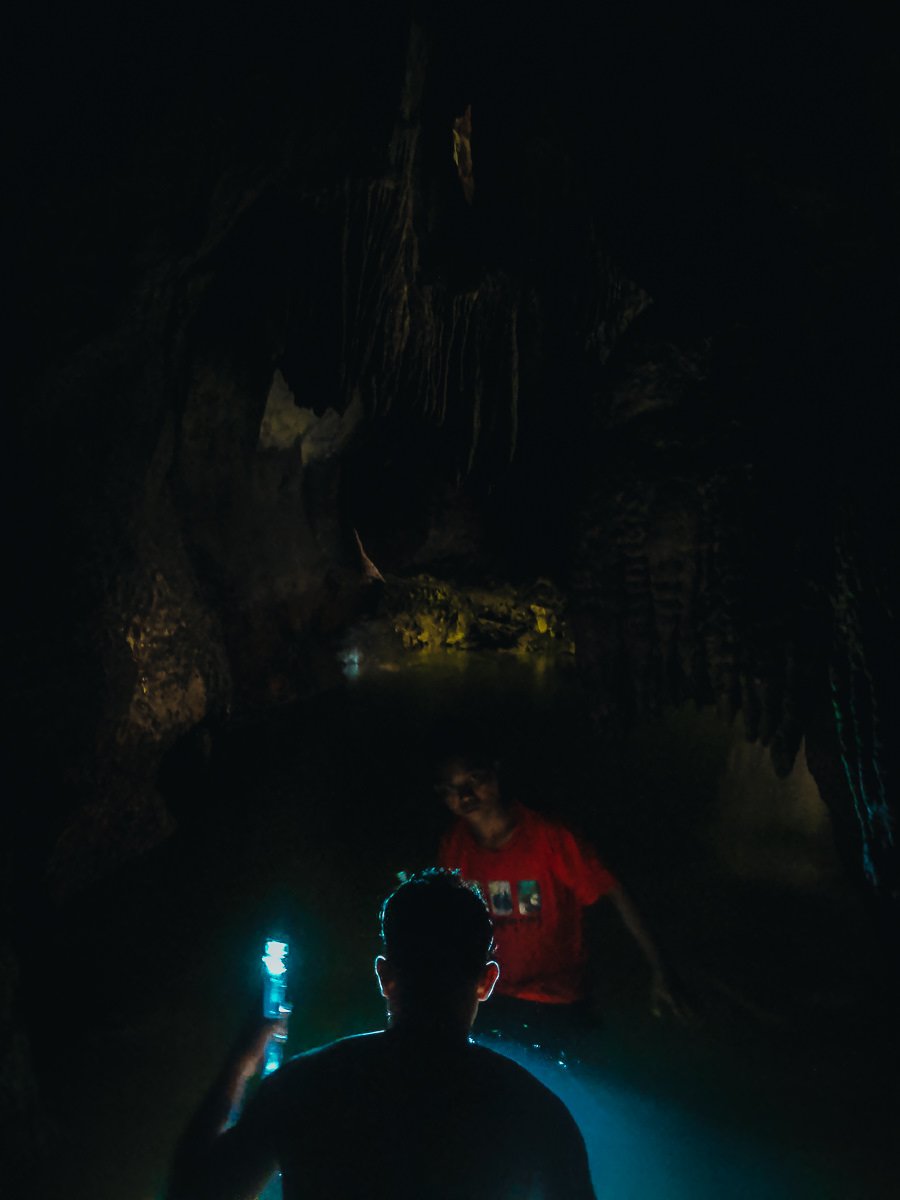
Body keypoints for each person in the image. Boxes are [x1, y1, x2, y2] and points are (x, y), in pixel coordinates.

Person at [167, 869, 597, 1200]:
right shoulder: (538, 1112)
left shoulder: (303, 1086)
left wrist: (244, 1055)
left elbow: (191, 1193)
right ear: (487, 981)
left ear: (384, 975)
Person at [435, 752, 684, 1038]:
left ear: (495, 772)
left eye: (474, 780)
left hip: (557, 999)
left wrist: (661, 968)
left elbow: (614, 891)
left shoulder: (549, 836)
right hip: (490, 995)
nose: (465, 796)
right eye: (452, 789)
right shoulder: (455, 846)